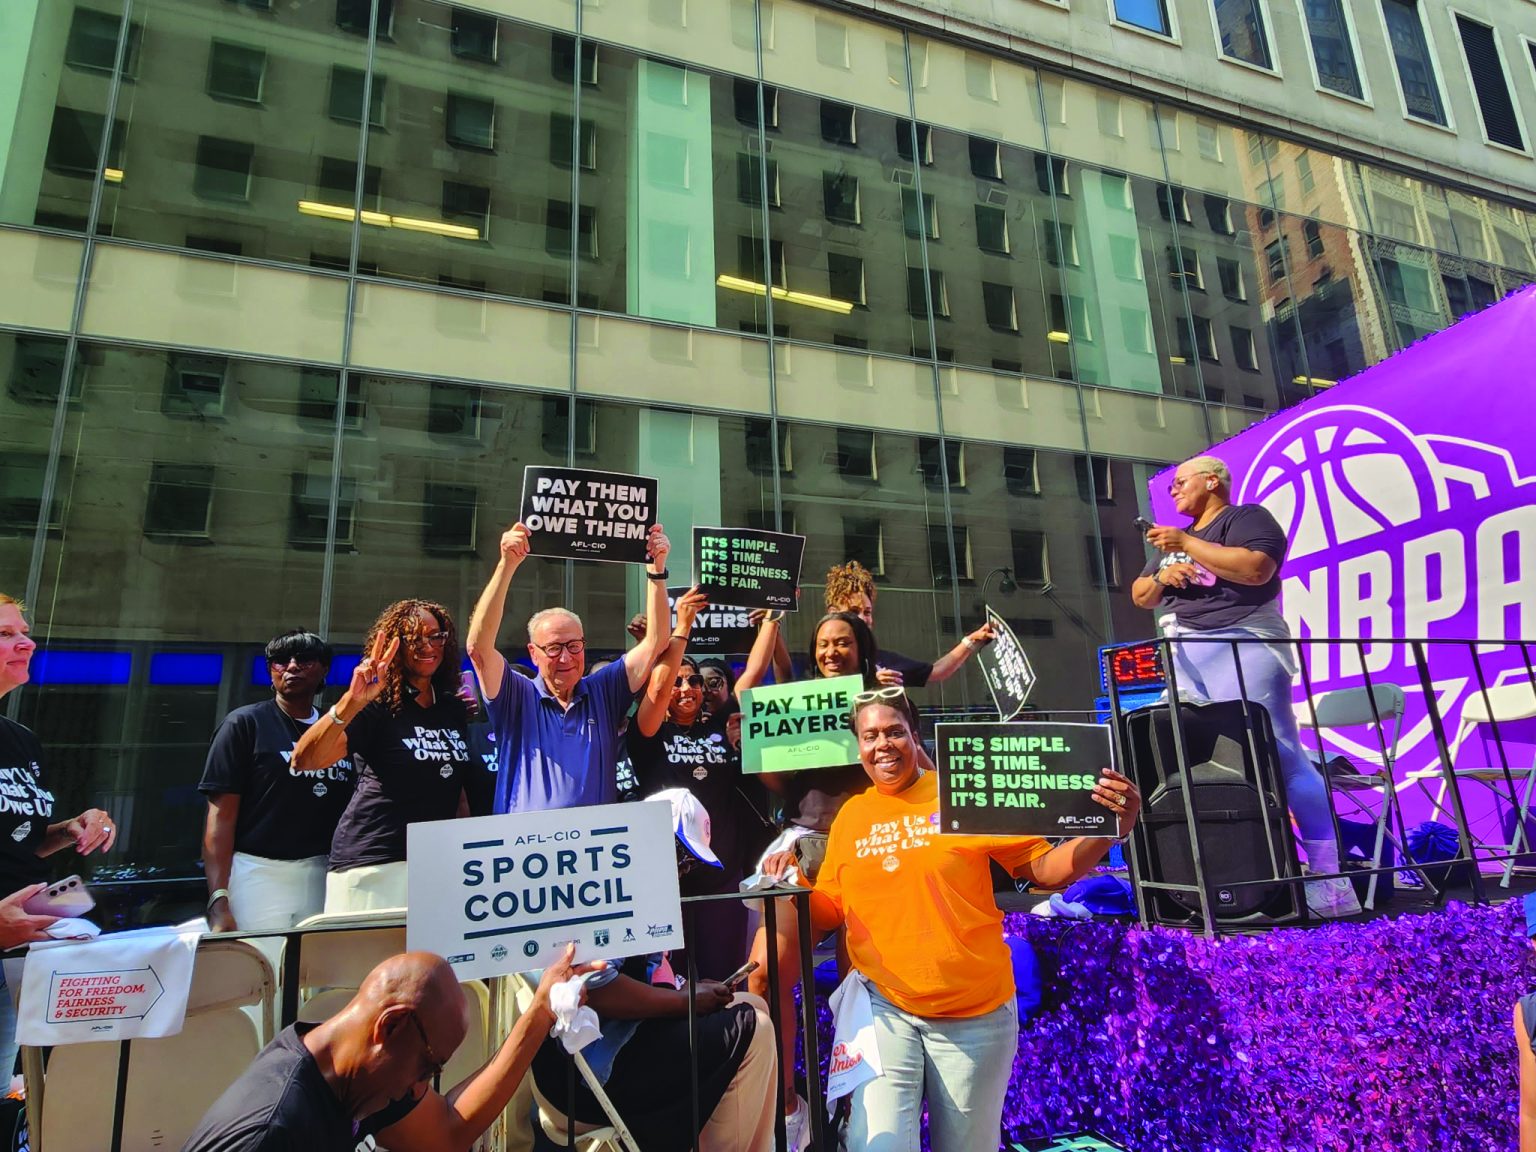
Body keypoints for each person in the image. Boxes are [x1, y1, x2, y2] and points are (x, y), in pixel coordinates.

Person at [761, 689, 1141, 1151]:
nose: (883, 744)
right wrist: (793, 886)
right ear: (858, 746)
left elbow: (1044, 872)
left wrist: (1110, 831)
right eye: (870, 735)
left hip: (975, 1016)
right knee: (872, 1144)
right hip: (885, 1008)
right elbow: (832, 909)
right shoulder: (852, 817)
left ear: (914, 737)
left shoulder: (962, 793)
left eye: (894, 732)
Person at [1129, 454, 1359, 917]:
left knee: (1278, 753)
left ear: (1211, 481)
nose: (1173, 491)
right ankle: (1194, 876)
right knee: (1172, 757)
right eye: (1172, 485)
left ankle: (1331, 882)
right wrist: (1163, 573)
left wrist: (1187, 546)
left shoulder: (1245, 518)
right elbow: (1140, 595)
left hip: (1245, 641)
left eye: (1180, 482)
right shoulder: (1176, 541)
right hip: (1186, 654)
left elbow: (1256, 569)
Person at [528, 793, 776, 1152]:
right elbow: (598, 987)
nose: (682, 871)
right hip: (586, 1076)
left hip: (614, 1051)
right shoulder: (613, 884)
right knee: (755, 1028)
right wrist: (685, 1002)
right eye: (683, 857)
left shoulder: (636, 885)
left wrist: (688, 991)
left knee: (752, 1006)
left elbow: (641, 976)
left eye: (688, 863)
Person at [181, 946, 589, 1152]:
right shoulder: (271, 1131)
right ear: (389, 1025)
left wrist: (541, 1014)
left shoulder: (358, 1074)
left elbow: (447, 1129)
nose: (419, 1089)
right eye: (428, 1068)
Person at [734, 609, 887, 1144]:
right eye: (822, 645)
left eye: (842, 643)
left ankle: (858, 1108)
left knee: (861, 988)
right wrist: (753, 744)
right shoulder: (795, 705)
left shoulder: (881, 702)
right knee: (763, 977)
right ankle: (787, 1106)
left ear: (861, 650)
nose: (830, 653)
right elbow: (779, 783)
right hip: (799, 847)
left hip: (866, 850)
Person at [464, 521, 673, 814]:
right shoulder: (517, 696)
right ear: (533, 654)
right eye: (553, 648)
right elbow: (479, 649)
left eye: (574, 646)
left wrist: (656, 569)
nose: (566, 658)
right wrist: (507, 565)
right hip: (526, 850)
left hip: (594, 848)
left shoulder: (603, 691)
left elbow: (657, 640)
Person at [0, 593, 117, 1075]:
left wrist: (68, 830)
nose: (25, 642)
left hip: (18, 946)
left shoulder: (20, 738)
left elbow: (19, 838)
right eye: (6, 634)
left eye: (24, 631)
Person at [292, 600, 470, 914]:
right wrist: (351, 701)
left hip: (433, 865)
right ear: (394, 646)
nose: (427, 646)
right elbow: (305, 761)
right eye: (414, 638)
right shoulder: (377, 705)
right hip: (374, 863)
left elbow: (455, 791)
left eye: (436, 636)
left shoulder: (451, 709)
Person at [628, 589, 753, 979]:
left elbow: (748, 679)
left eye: (694, 681)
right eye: (677, 682)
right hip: (669, 880)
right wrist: (667, 638)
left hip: (722, 877)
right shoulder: (647, 734)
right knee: (673, 978)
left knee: (722, 976)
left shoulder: (721, 727)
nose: (686, 688)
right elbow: (659, 687)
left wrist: (771, 621)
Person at [201, 630, 355, 933]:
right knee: (262, 970)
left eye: (305, 659)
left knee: (319, 977)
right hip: (260, 872)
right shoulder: (244, 724)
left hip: (325, 872)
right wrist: (219, 899)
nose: (292, 666)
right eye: (280, 660)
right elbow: (220, 817)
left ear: (324, 668)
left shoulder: (340, 730)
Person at [823, 561, 995, 687]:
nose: (862, 618)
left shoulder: (882, 661)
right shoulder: (818, 662)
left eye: (867, 612)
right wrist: (870, 687)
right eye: (853, 611)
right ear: (833, 613)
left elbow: (937, 671)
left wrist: (970, 641)